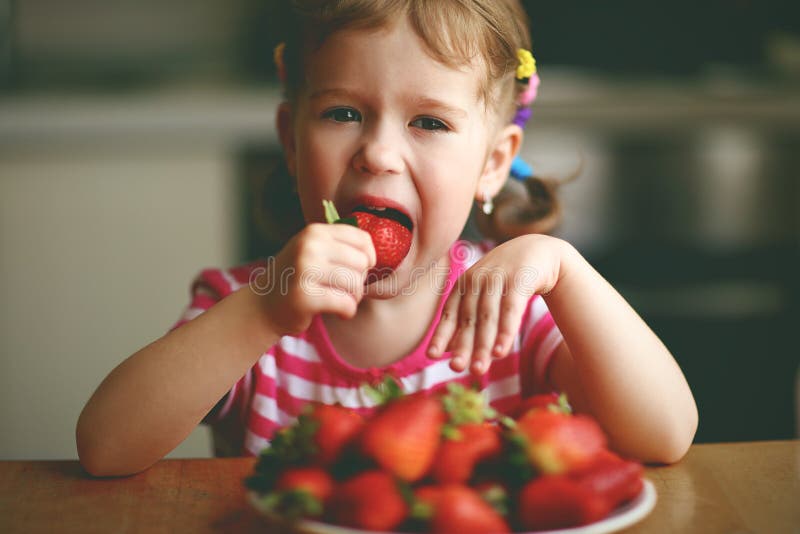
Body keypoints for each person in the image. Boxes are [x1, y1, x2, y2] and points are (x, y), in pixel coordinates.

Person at [76, 0, 697, 477]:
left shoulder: (512, 313)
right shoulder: (249, 300)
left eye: (429, 121)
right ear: (291, 141)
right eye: (343, 113)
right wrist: (263, 310)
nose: (377, 154)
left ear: (493, 162)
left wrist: (566, 269)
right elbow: (106, 448)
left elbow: (666, 434)